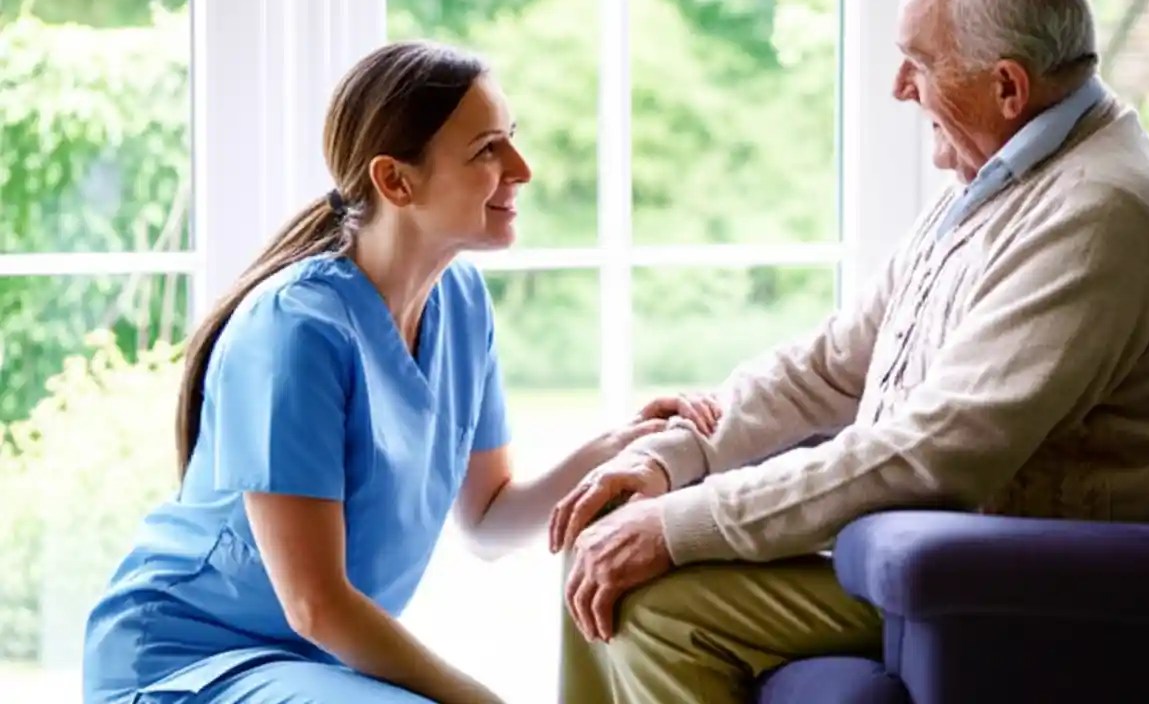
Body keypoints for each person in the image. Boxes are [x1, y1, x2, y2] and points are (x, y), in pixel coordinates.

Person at [550, 0, 1149, 702]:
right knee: (595, 548)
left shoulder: (1099, 212)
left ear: (1007, 87)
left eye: (919, 62)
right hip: (931, 558)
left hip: (1034, 587)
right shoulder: (1002, 180)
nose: (898, 86)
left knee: (645, 602)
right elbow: (836, 362)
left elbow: (935, 452)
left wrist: (682, 523)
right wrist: (680, 455)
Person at [81, 40, 721, 704]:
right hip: (190, 657)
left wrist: (618, 446)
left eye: (512, 140)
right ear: (396, 181)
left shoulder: (462, 302)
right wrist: (483, 699)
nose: (522, 169)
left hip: (314, 661)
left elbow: (491, 518)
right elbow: (316, 604)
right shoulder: (295, 328)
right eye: (487, 151)